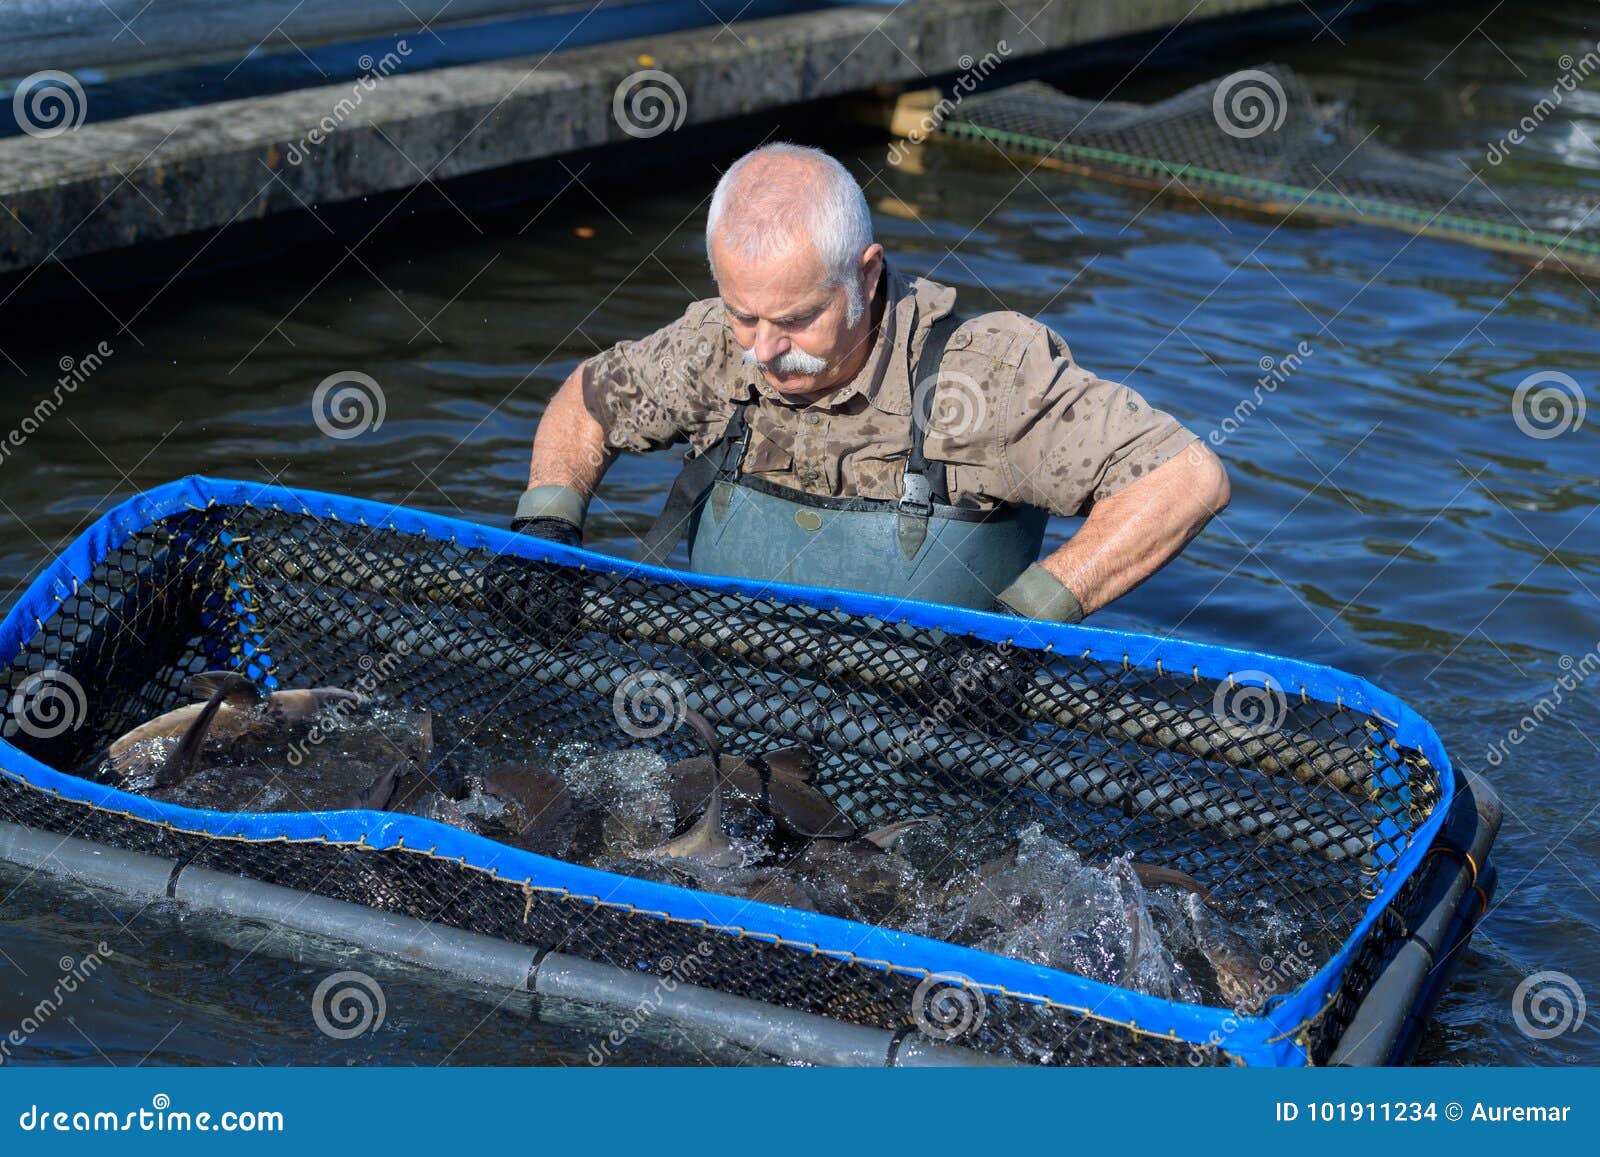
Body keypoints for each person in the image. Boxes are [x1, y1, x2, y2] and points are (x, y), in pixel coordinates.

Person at [512, 143, 1228, 623]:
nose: (763, 350)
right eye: (744, 315)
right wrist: (547, 528)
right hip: (734, 708)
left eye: (795, 319)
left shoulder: (986, 377)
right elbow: (587, 401)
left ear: (867, 274)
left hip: (933, 732)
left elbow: (1184, 478)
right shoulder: (712, 347)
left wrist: (1021, 625)